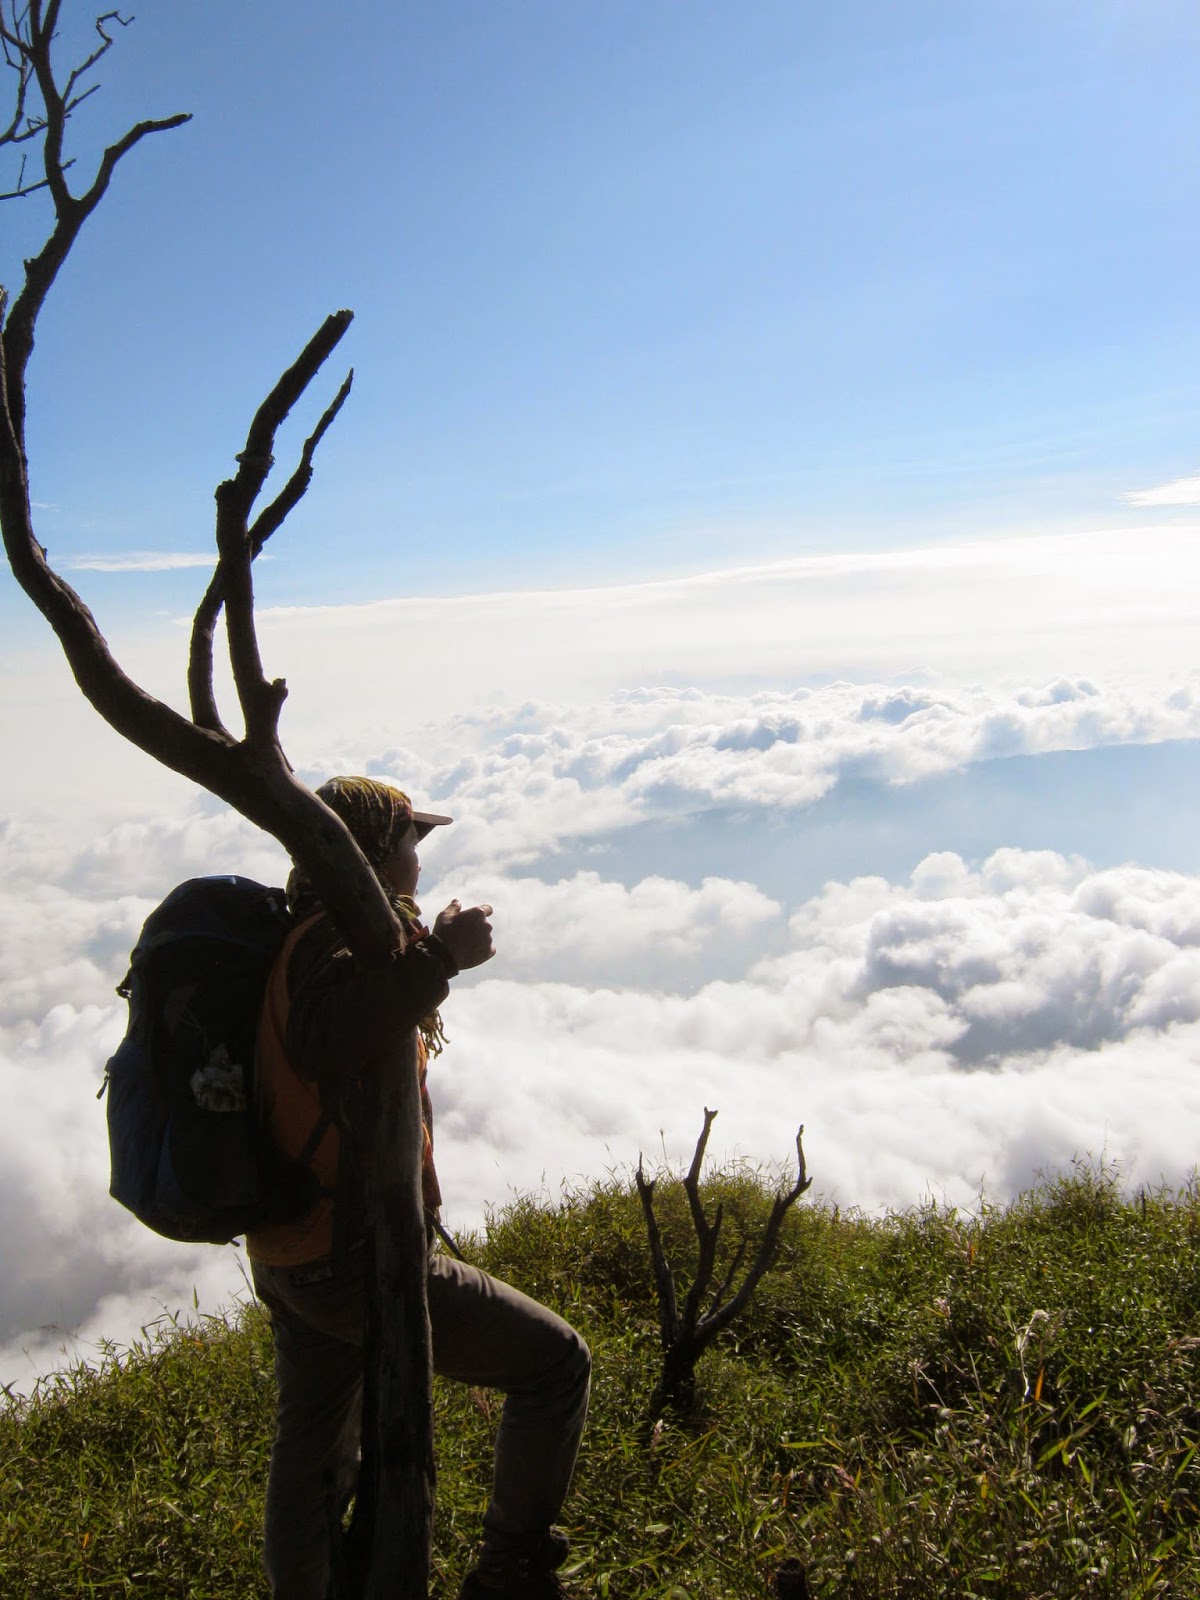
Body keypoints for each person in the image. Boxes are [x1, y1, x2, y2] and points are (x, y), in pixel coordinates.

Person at [246, 776, 590, 1600]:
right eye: (409, 840)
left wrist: (423, 953)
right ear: (369, 850)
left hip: (293, 1248)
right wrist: (440, 958)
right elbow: (331, 1040)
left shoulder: (315, 933)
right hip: (354, 1255)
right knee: (555, 1365)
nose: (418, 858)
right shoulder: (337, 939)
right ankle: (508, 1567)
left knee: (312, 1452)